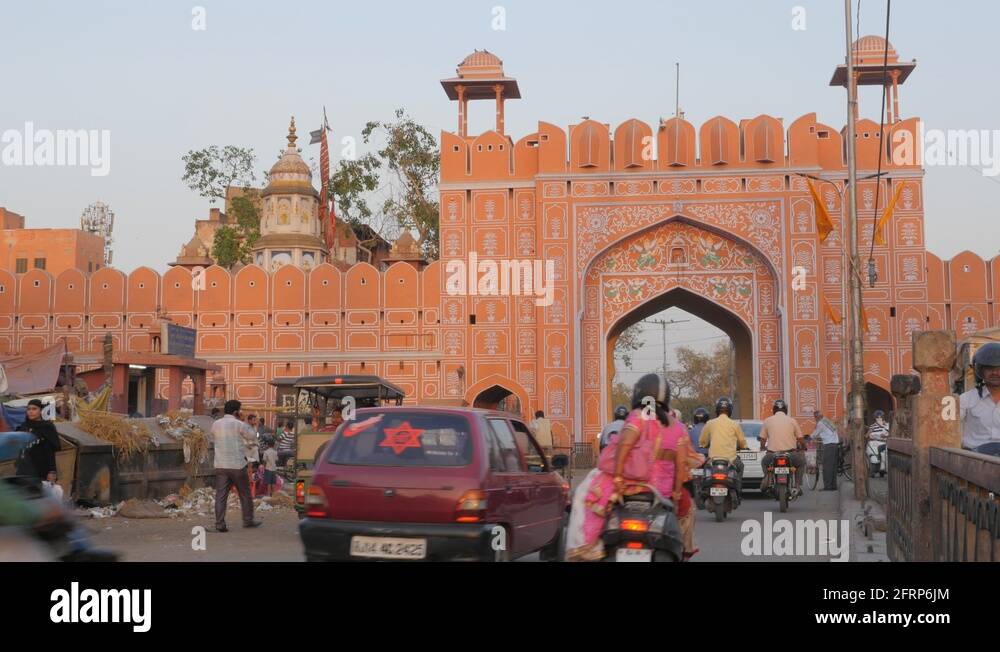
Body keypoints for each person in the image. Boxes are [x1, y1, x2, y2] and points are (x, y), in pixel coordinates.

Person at [566, 373, 689, 561]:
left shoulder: (639, 417)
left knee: (585, 494)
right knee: (687, 513)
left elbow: (624, 445)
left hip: (629, 487)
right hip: (661, 494)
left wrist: (616, 477)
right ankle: (685, 552)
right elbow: (680, 466)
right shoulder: (678, 427)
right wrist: (677, 495)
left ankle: (588, 548)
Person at [210, 400, 262, 532]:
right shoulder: (239, 424)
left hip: (221, 465)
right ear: (236, 412)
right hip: (237, 465)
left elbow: (213, 437)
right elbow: (252, 436)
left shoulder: (216, 424)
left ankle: (220, 524)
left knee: (221, 496)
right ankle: (248, 520)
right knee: (245, 494)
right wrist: (249, 423)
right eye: (240, 410)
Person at [698, 397, 747, 493]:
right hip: (731, 459)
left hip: (713, 458)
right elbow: (742, 442)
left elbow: (702, 441)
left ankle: (702, 491)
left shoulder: (710, 423)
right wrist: (744, 446)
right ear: (730, 410)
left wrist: (703, 445)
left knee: (703, 470)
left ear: (717, 410)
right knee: (740, 466)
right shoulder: (734, 424)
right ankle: (738, 490)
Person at [759, 399, 806, 495]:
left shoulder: (767, 421)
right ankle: (797, 486)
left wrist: (762, 447)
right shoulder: (792, 421)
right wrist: (803, 446)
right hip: (791, 454)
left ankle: (769, 479)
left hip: (772, 455)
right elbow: (800, 438)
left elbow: (763, 439)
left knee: (764, 462)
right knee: (801, 462)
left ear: (774, 410)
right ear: (785, 410)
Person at [960, 342, 1000, 451]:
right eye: (989, 368)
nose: (995, 373)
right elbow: (947, 426)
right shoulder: (965, 399)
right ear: (980, 371)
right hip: (974, 458)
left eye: (999, 368)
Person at [15, 399, 61, 481]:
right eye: (28, 409)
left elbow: (50, 451)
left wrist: (52, 471)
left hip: (40, 469)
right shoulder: (24, 426)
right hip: (23, 468)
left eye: (34, 409)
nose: (31, 411)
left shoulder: (47, 427)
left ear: (41, 411)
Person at [812, 410, 840, 491]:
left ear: (817, 417)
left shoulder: (821, 423)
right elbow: (828, 433)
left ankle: (828, 487)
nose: (815, 419)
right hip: (835, 445)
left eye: (815, 417)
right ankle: (833, 486)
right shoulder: (827, 421)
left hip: (829, 445)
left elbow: (815, 434)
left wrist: (808, 438)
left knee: (827, 467)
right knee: (833, 467)